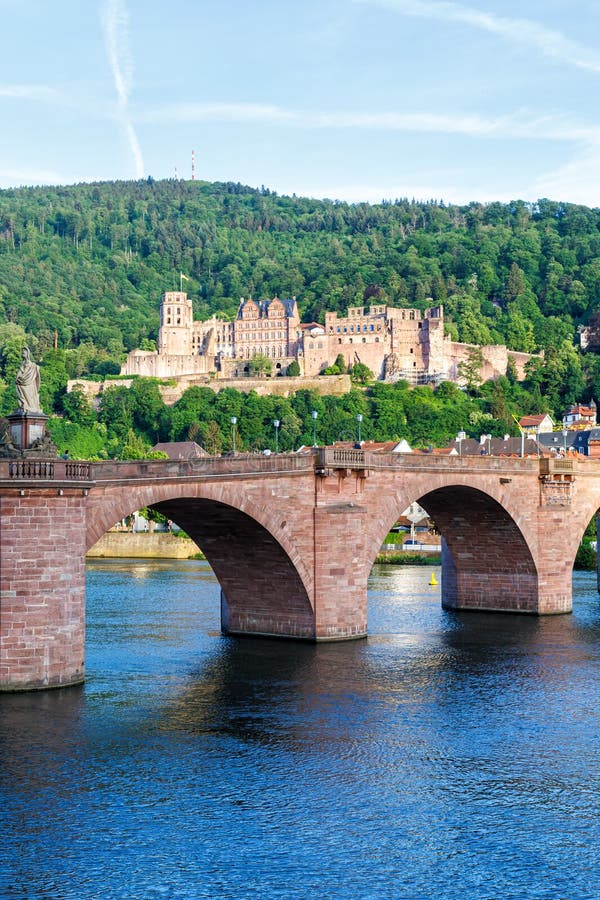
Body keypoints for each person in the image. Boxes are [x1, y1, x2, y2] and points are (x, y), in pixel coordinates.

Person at [15, 346, 41, 413]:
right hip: (22, 382)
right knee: (22, 394)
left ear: (28, 354)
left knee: (30, 397)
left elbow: (37, 377)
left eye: (24, 352)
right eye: (22, 352)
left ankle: (30, 407)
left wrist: (18, 378)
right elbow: (20, 372)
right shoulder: (22, 363)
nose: (23, 353)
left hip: (29, 383)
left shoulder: (32, 365)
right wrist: (17, 378)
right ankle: (25, 405)